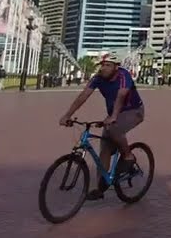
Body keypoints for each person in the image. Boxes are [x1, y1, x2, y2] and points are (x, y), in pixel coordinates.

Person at [58, 53, 145, 200]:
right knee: (104, 148)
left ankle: (128, 156)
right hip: (114, 115)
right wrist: (67, 115)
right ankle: (101, 186)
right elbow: (83, 95)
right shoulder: (98, 78)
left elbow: (121, 96)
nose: (103, 68)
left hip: (133, 111)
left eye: (108, 65)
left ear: (116, 67)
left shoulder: (124, 76)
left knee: (114, 128)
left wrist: (113, 116)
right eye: (102, 65)